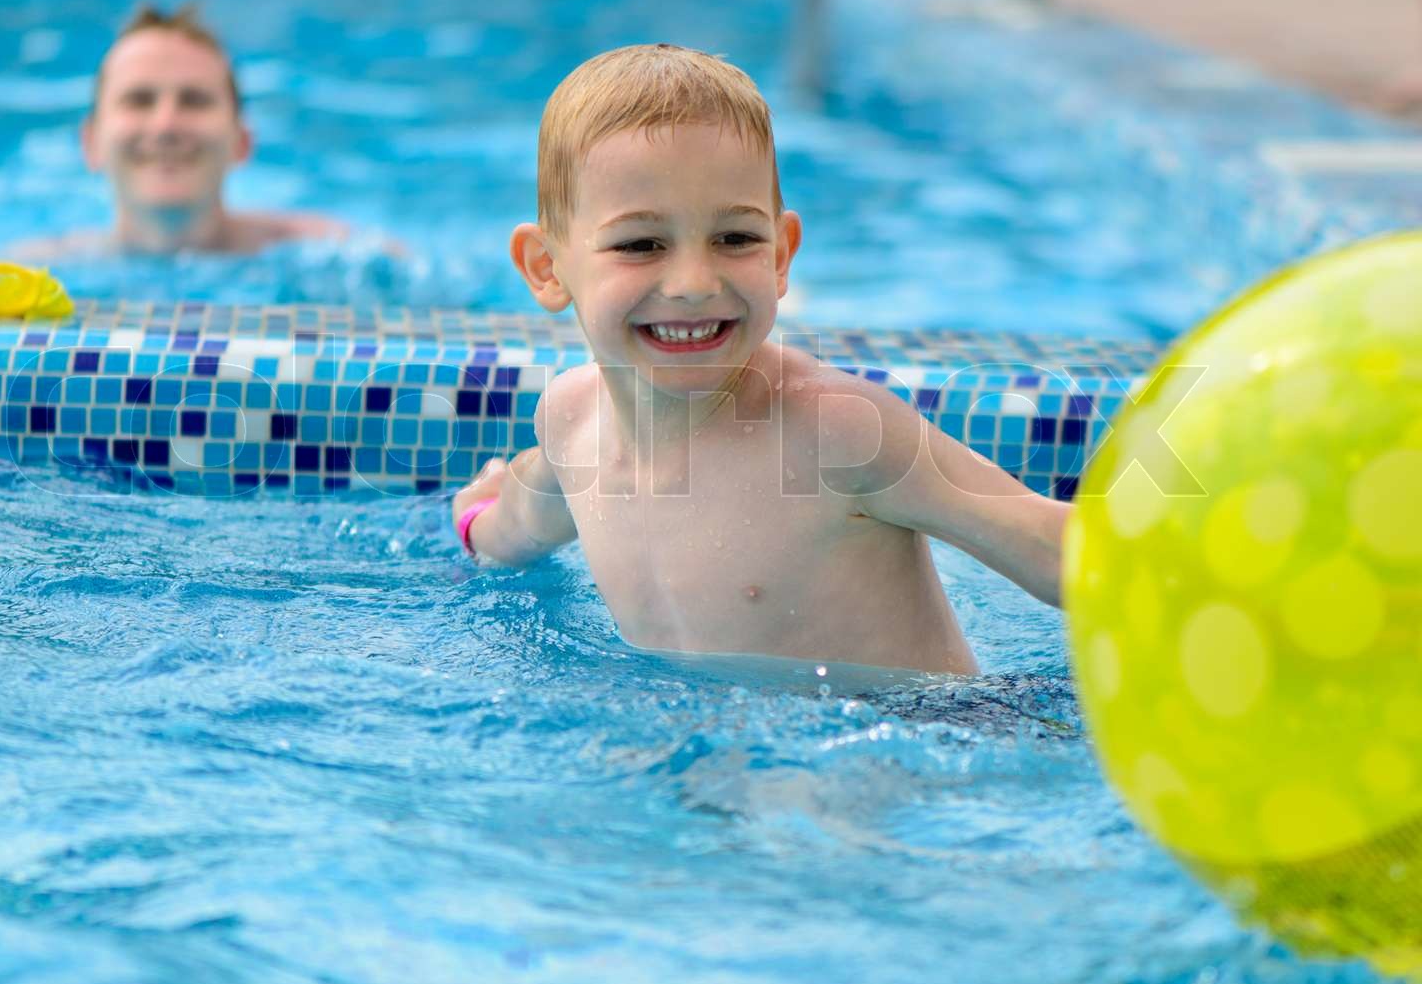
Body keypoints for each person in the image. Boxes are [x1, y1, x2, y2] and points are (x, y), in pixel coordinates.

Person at [450, 44, 1068, 676]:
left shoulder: (836, 432)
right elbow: (520, 523)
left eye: (735, 238)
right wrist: (475, 521)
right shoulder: (570, 423)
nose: (694, 281)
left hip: (920, 738)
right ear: (547, 268)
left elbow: (1052, 550)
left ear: (779, 257)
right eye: (641, 244)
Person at [15, 5, 350, 257]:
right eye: (139, 100)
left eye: (194, 101)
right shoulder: (40, 267)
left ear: (242, 143)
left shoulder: (330, 251)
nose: (165, 126)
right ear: (91, 144)